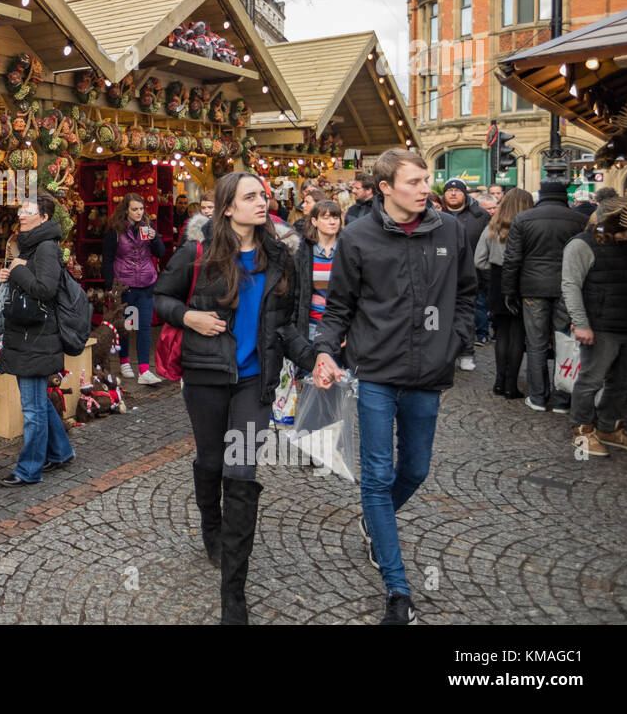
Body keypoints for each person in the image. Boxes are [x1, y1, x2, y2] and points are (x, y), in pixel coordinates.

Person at [313, 148, 476, 625]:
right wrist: (324, 349)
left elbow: (466, 293)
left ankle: (373, 521)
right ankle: (397, 587)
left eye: (427, 179)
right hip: (377, 374)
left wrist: (456, 340)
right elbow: (338, 307)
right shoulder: (358, 236)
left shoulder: (450, 230)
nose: (427, 188)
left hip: (429, 373)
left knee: (418, 470)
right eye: (415, 181)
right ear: (385, 188)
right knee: (378, 477)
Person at [154, 173, 313, 624]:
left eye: (263, 195)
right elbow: (159, 299)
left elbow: (288, 325)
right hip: (206, 376)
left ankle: (233, 595)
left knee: (240, 473)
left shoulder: (282, 255)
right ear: (227, 208)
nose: (262, 202)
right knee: (210, 461)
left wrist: (313, 359)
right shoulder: (197, 252)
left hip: (255, 383)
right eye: (250, 197)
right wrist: (189, 316)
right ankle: (211, 525)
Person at [0, 192, 75, 487]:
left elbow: (45, 289)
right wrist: (9, 273)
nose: (21, 215)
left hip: (37, 337)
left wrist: (17, 271)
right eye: (20, 210)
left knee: (31, 409)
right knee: (37, 402)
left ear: (44, 217)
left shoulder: (44, 248)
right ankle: (61, 451)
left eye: (27, 211)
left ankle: (29, 469)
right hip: (29, 334)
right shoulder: (30, 246)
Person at [501, 180, 586, 414]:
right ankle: (562, 399)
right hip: (567, 288)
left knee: (536, 344)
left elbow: (512, 259)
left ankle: (538, 397)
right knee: (564, 343)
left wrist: (509, 291)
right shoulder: (579, 220)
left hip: (533, 288)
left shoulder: (524, 219)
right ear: (563, 196)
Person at [559, 198, 627, 456]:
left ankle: (608, 427)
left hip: (625, 323)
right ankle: (581, 431)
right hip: (600, 324)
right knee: (590, 381)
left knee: (622, 381)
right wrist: (581, 323)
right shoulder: (581, 244)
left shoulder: (624, 245)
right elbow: (570, 285)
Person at [475, 188, 534, 399]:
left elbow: (479, 260)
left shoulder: (493, 227)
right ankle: (511, 386)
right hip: (521, 280)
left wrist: (495, 270)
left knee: (502, 334)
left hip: (498, 281)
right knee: (517, 335)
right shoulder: (529, 227)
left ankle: (499, 382)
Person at [102, 193, 165, 384]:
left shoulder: (148, 226)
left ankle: (145, 370)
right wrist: (110, 286)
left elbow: (160, 252)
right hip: (126, 285)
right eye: (134, 209)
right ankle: (124, 361)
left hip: (146, 283)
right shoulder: (115, 230)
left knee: (145, 326)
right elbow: (107, 259)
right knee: (128, 326)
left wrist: (155, 239)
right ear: (126, 210)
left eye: (141, 209)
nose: (139, 213)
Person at [441, 177, 491, 360]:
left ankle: (467, 350)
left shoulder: (480, 216)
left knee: (469, 312)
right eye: (449, 191)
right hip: (441, 274)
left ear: (465, 194)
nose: (453, 194)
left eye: (458, 191)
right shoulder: (433, 214)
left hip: (471, 272)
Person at [294, 199, 342, 343]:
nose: (332, 222)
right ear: (314, 221)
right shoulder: (303, 252)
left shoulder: (347, 250)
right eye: (326, 218)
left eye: (335, 217)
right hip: (310, 326)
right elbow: (297, 292)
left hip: (340, 327)